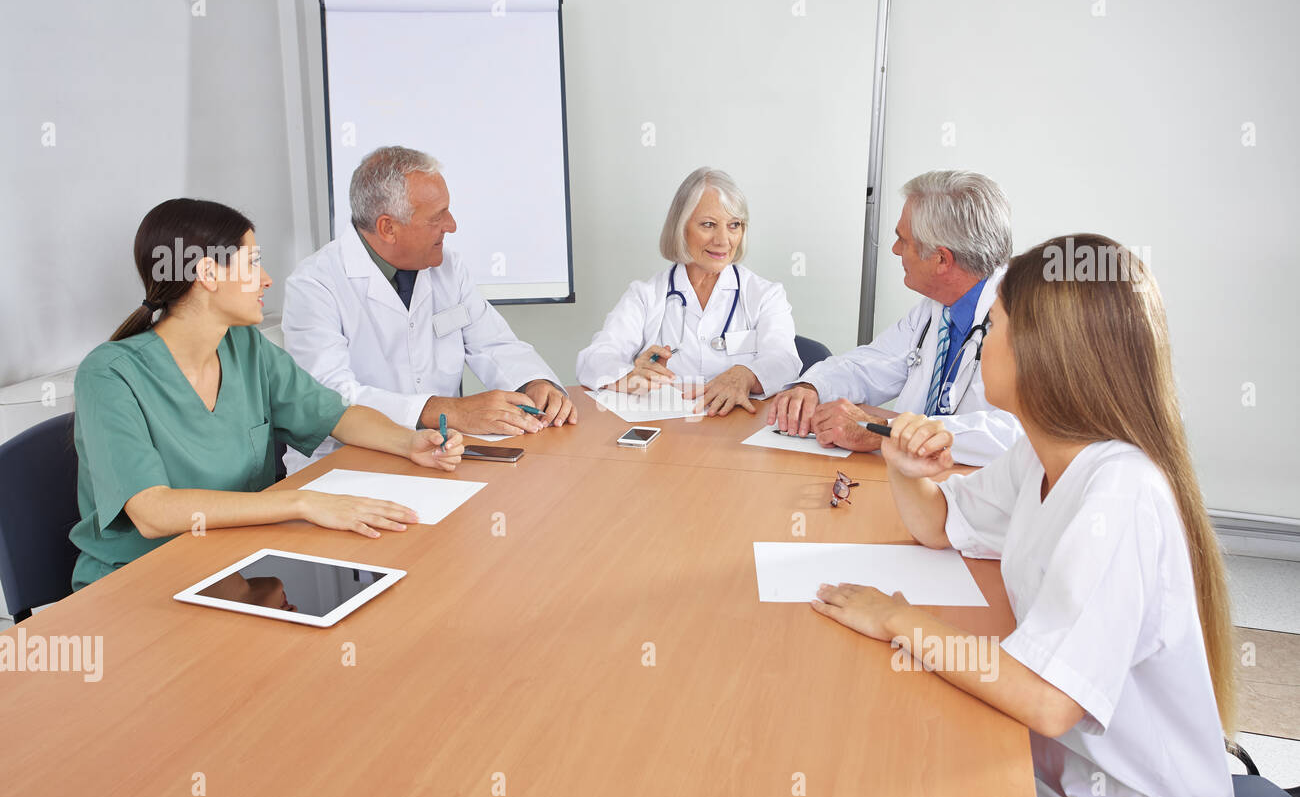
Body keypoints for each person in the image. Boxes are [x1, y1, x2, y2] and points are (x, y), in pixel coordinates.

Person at [811, 235, 1236, 797]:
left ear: (1042, 353)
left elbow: (1047, 699)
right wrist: (905, 471)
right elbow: (939, 525)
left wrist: (896, 619)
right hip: (1054, 777)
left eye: (995, 326)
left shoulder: (1119, 493)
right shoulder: (1043, 456)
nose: (981, 340)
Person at [70, 199, 464, 591]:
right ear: (207, 273)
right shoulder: (109, 374)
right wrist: (301, 502)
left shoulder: (245, 347)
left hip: (236, 564)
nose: (266, 278)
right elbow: (152, 511)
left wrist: (410, 442)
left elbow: (336, 414)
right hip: (139, 586)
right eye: (252, 263)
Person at [282, 146, 573, 475]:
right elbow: (331, 398)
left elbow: (494, 344)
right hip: (345, 465)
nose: (452, 225)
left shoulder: (448, 267)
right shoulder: (315, 284)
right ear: (388, 227)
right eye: (437, 217)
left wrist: (533, 383)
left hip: (439, 455)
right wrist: (446, 410)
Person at [767, 170, 1021, 465]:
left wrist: (884, 432)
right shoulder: (936, 309)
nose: (894, 249)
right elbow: (869, 365)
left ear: (941, 259)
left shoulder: (1027, 320)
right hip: (916, 484)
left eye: (903, 240)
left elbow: (1022, 433)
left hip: (977, 494)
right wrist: (812, 387)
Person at [575, 167, 801, 416]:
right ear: (680, 228)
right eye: (708, 225)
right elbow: (595, 358)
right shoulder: (645, 295)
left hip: (739, 428)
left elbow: (785, 361)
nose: (723, 240)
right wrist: (630, 375)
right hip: (669, 432)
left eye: (734, 225)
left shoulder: (765, 295)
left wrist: (746, 375)